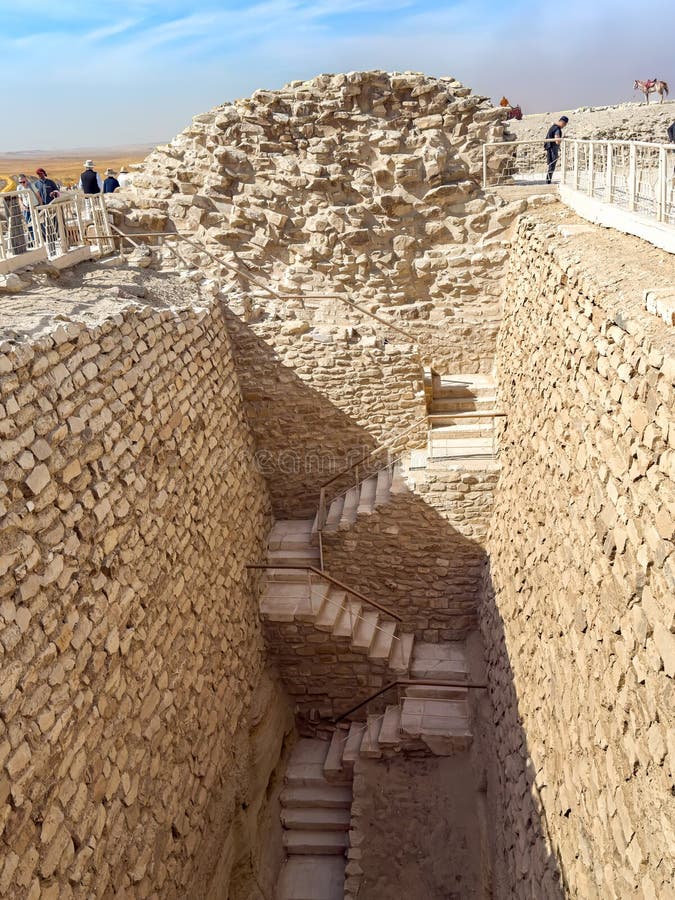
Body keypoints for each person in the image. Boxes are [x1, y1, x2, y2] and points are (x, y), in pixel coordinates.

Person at [544, 115, 568, 184]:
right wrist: (561, 139)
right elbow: (557, 140)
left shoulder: (553, 127)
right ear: (563, 123)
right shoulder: (557, 129)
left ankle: (548, 181)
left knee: (551, 166)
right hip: (553, 149)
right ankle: (548, 181)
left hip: (550, 148)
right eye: (565, 124)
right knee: (552, 166)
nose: (564, 126)